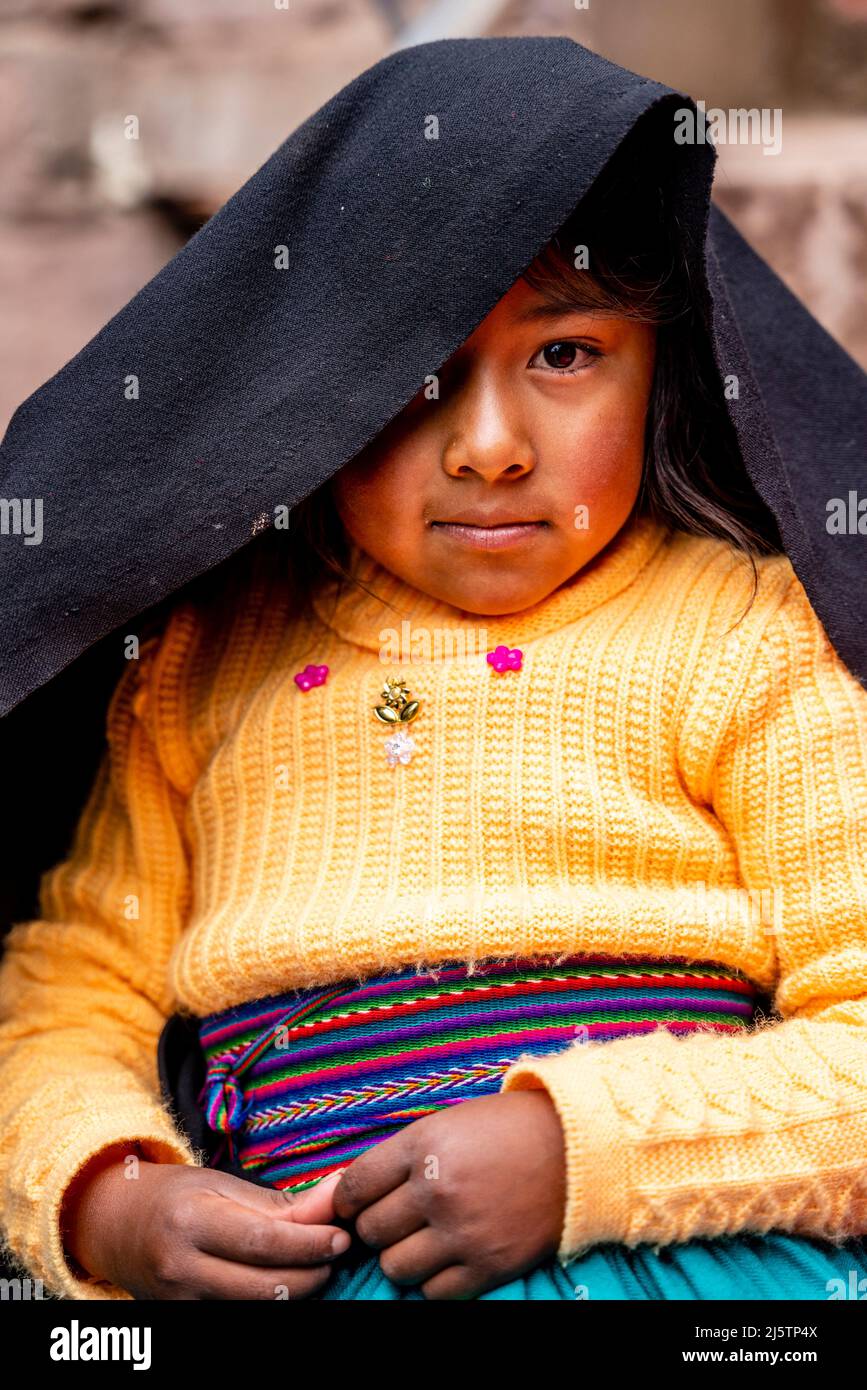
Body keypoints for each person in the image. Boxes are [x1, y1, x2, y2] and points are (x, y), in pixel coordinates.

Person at [1, 36, 866, 1303]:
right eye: (413, 377)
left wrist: (580, 1153)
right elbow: (66, 998)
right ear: (312, 396)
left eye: (565, 353)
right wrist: (114, 1198)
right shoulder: (197, 667)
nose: (491, 448)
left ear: (661, 368)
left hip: (698, 1279)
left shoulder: (746, 639)